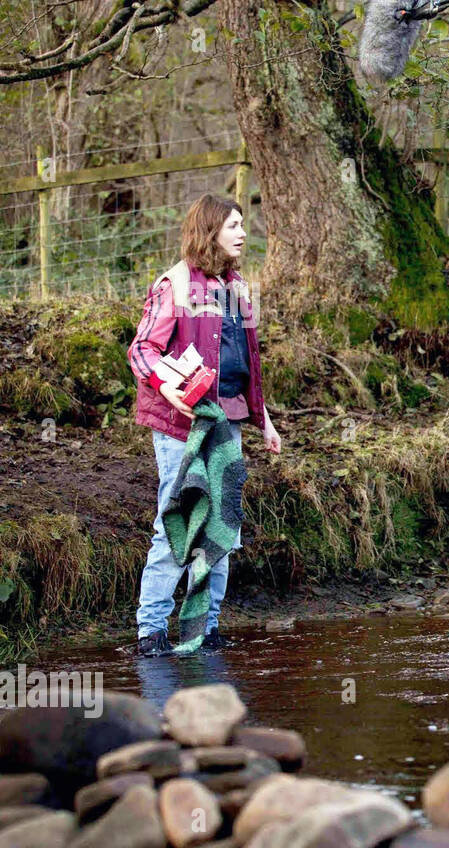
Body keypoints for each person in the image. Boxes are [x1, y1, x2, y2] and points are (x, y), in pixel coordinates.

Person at [127, 194, 283, 655]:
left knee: (223, 528)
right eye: (234, 225)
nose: (242, 233)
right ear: (211, 230)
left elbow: (245, 366)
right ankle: (150, 632)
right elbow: (141, 351)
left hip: (229, 424)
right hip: (180, 427)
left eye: (242, 224)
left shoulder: (239, 289)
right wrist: (167, 386)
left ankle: (205, 630)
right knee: (176, 523)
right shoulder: (174, 283)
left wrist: (265, 423)